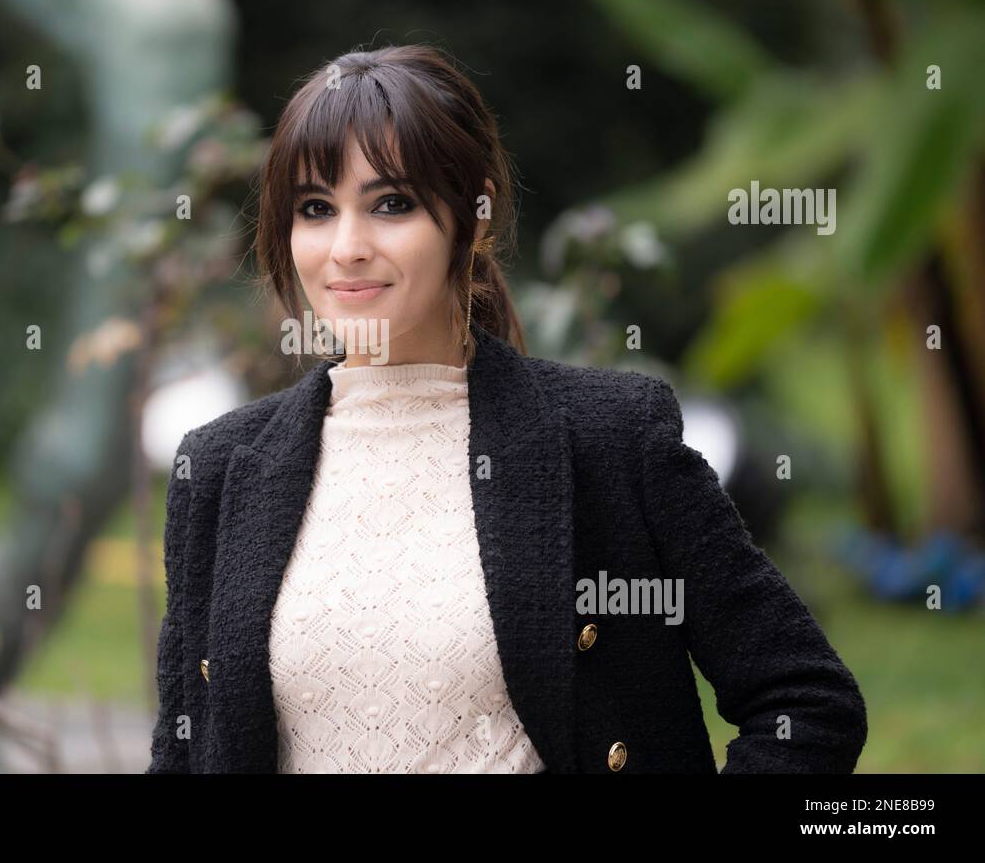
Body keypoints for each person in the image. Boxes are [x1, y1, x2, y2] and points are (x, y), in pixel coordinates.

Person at [147, 43, 866, 773]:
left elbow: (804, 704)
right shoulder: (217, 467)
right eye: (314, 209)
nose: (347, 248)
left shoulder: (611, 439)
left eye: (391, 204)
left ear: (474, 215)